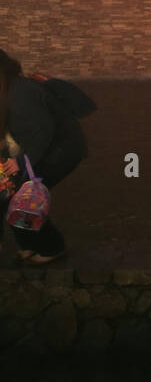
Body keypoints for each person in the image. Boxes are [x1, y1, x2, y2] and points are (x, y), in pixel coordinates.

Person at [0, 49, 88, 264]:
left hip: (59, 151)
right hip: (33, 149)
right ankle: (31, 245)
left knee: (21, 196)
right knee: (9, 191)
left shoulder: (21, 92)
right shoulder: (7, 89)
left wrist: (19, 162)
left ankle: (51, 248)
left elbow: (42, 132)